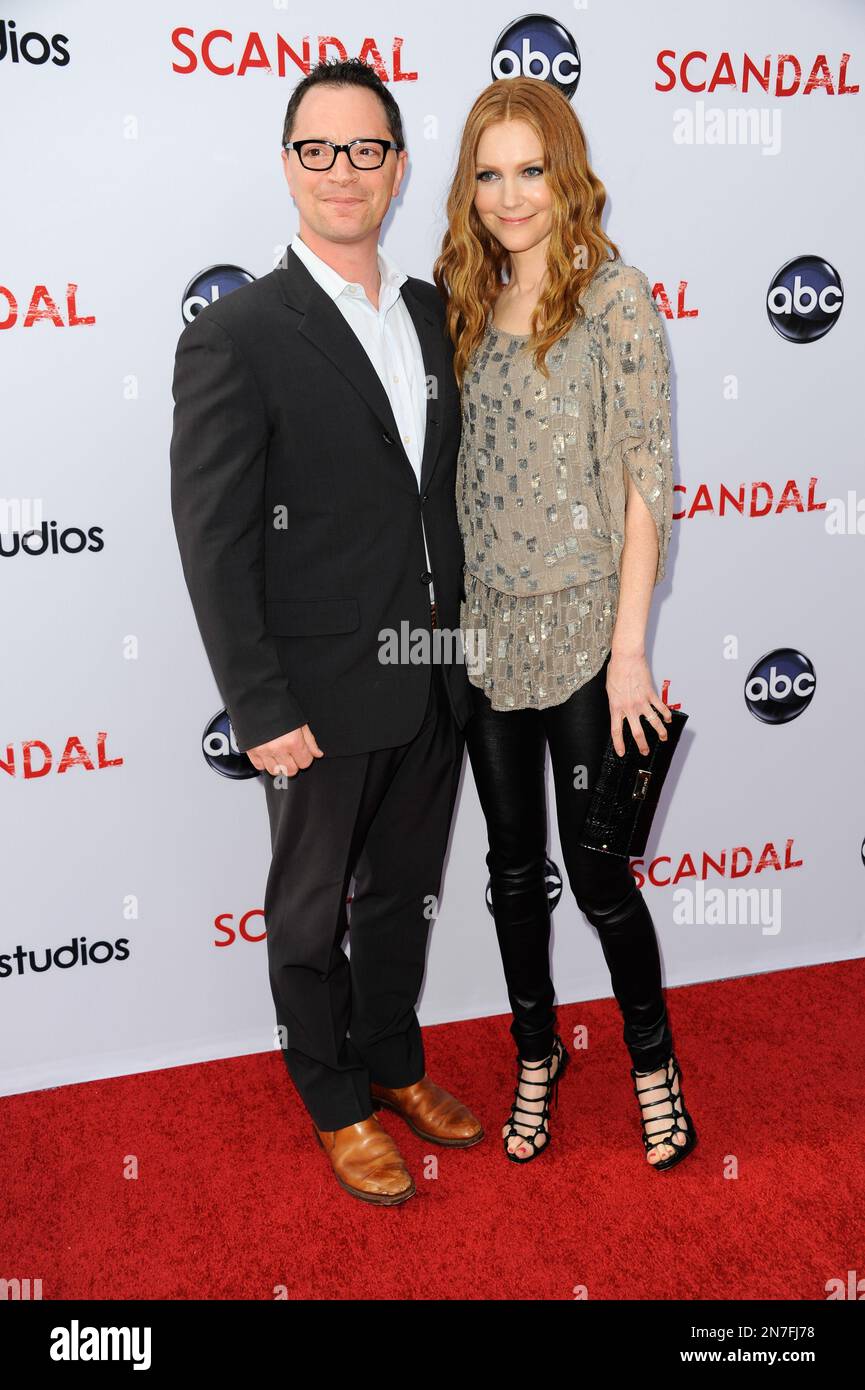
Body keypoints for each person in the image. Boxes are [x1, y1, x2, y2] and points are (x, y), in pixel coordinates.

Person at [170, 57, 483, 1207]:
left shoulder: (432, 313)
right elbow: (212, 538)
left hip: (433, 673)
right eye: (318, 150)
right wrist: (260, 705)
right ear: (288, 165)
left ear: (398, 169)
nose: (342, 172)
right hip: (309, 691)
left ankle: (394, 1060)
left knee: (403, 893)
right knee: (309, 911)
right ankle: (333, 1092)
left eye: (365, 150)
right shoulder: (239, 332)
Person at [433, 77, 697, 1170]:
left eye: (529, 170)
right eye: (488, 173)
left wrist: (629, 649)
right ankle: (536, 1054)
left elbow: (647, 480)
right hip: (487, 636)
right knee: (507, 872)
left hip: (590, 635)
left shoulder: (614, 297)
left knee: (596, 877)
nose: (509, 194)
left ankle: (650, 1062)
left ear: (566, 171)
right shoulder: (463, 294)